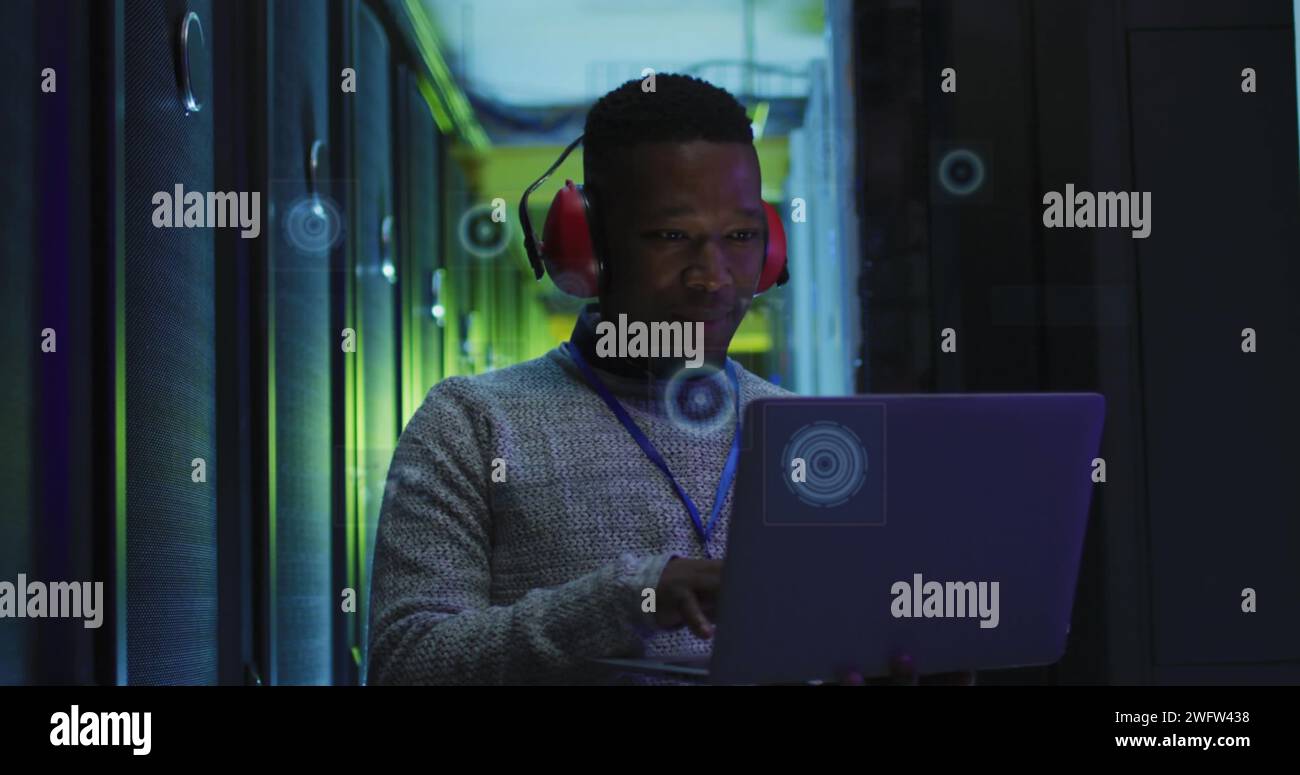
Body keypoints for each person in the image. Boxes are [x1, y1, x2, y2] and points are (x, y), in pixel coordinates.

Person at [366, 74, 793, 685]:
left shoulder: (806, 435)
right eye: (671, 237)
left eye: (742, 238)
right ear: (586, 245)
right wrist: (625, 601)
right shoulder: (471, 423)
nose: (713, 278)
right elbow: (406, 664)